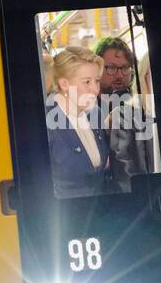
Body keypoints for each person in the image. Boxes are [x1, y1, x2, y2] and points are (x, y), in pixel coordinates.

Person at [45, 47, 118, 198]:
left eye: (96, 81)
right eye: (87, 82)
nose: (94, 89)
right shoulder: (46, 122)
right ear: (64, 84)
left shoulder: (96, 113)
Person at [94, 36, 154, 180]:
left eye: (125, 67)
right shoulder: (85, 109)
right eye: (112, 68)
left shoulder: (139, 104)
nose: (120, 75)